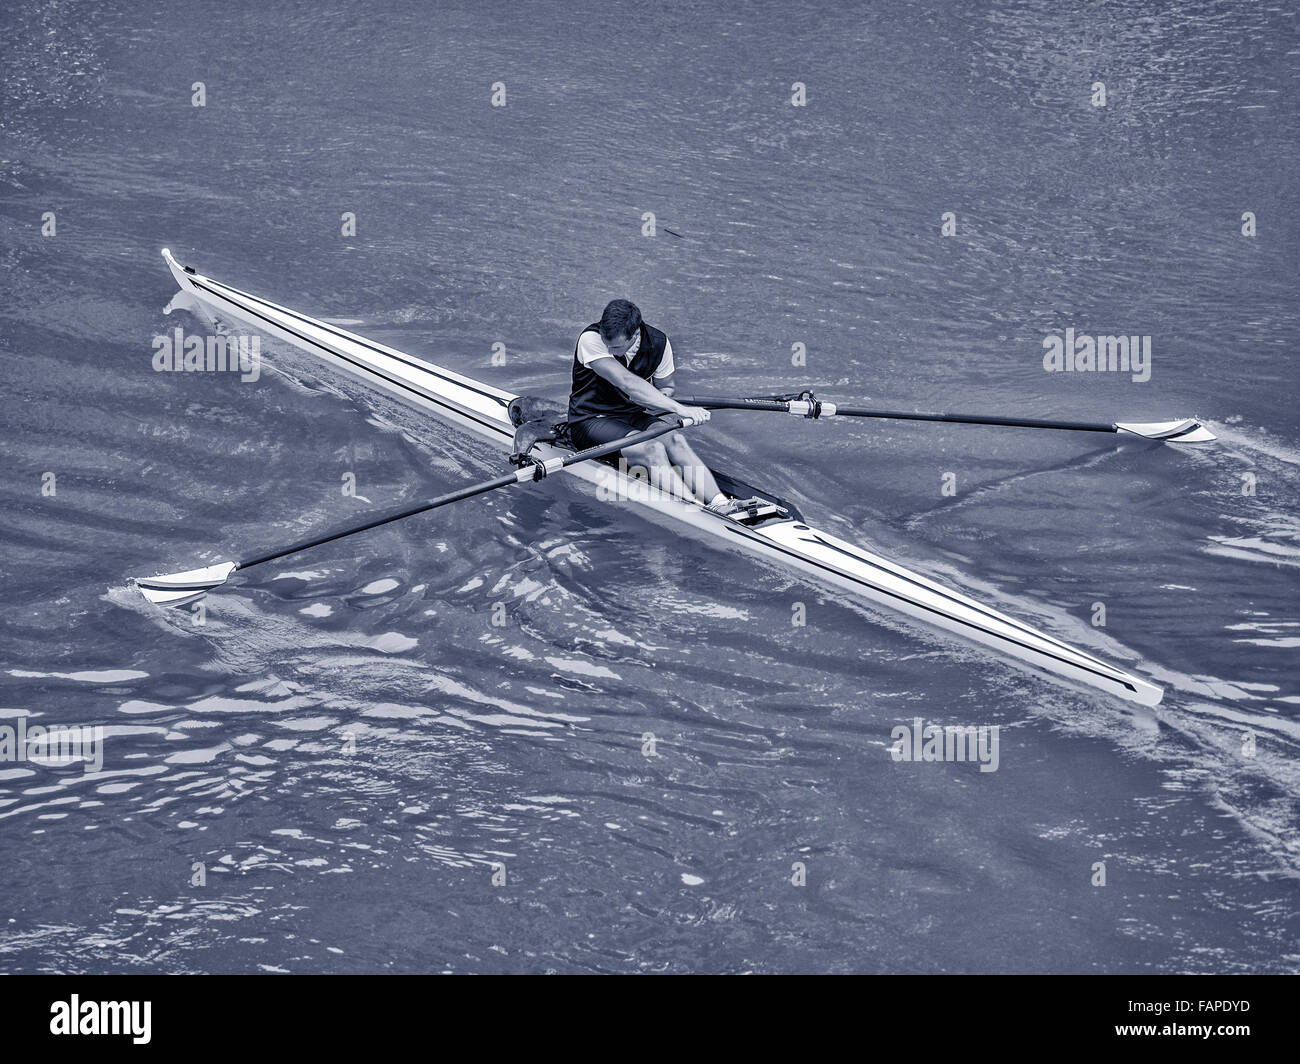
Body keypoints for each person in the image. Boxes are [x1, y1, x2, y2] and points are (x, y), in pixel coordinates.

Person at [567, 300, 747, 515]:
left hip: (632, 415)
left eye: (615, 347)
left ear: (635, 336)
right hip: (590, 419)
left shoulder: (659, 343)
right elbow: (626, 381)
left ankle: (719, 502)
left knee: (675, 439)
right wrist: (680, 409)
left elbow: (667, 387)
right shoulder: (591, 339)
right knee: (653, 450)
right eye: (607, 343)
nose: (609, 349)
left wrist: (658, 398)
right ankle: (697, 511)